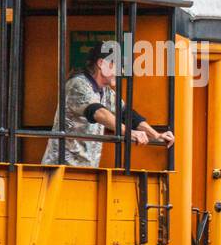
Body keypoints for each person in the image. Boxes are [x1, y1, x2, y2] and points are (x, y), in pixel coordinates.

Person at [42, 43, 173, 166]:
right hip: (60, 167)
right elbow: (98, 112)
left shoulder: (105, 91)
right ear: (101, 63)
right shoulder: (77, 84)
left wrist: (156, 135)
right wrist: (127, 133)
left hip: (82, 170)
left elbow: (127, 114)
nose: (121, 71)